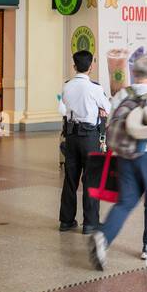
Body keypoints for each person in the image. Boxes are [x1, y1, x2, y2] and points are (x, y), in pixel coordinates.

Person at [87, 54, 147, 268]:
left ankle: (103, 237)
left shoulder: (122, 93)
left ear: (133, 73)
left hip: (124, 156)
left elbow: (109, 120)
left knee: (126, 202)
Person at [58, 49, 111, 232]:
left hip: (71, 135)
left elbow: (63, 109)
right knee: (91, 180)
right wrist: (99, 110)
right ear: (91, 66)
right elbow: (108, 108)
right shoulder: (95, 88)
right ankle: (90, 223)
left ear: (74, 66)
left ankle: (66, 221)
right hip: (90, 137)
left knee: (70, 179)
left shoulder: (67, 86)